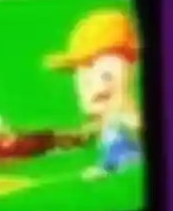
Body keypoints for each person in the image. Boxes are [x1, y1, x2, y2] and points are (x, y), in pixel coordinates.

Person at [45, 9, 144, 179]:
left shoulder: (125, 131)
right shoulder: (106, 128)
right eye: (78, 71)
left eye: (96, 68)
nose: (83, 82)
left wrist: (104, 172)